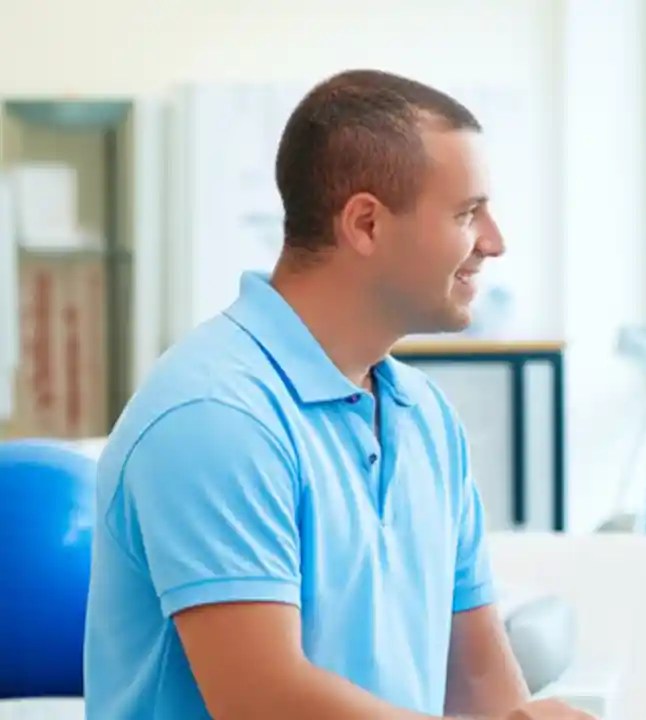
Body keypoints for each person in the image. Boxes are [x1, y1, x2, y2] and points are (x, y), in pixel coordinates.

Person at [83, 69, 593, 719]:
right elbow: (262, 701)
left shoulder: (425, 417)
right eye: (468, 213)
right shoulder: (214, 417)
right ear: (366, 224)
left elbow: (479, 690)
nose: (494, 242)